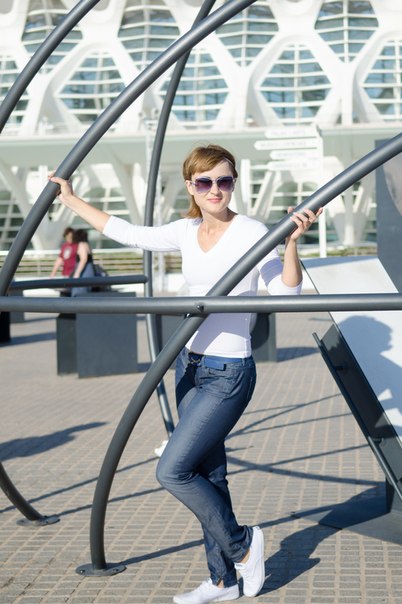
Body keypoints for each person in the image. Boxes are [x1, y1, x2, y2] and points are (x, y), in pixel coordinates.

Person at [49, 144, 321, 603]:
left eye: (224, 180)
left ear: (234, 184)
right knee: (208, 476)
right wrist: (71, 200)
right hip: (190, 365)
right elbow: (129, 233)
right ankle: (222, 581)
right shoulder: (186, 230)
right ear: (191, 186)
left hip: (229, 373)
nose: (215, 190)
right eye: (205, 181)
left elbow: (286, 291)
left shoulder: (251, 231)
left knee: (172, 470)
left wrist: (291, 243)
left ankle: (243, 544)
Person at [70, 228, 95, 297]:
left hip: (84, 272)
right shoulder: (87, 244)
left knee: (78, 292)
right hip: (89, 270)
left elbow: (83, 259)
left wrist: (77, 274)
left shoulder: (81, 244)